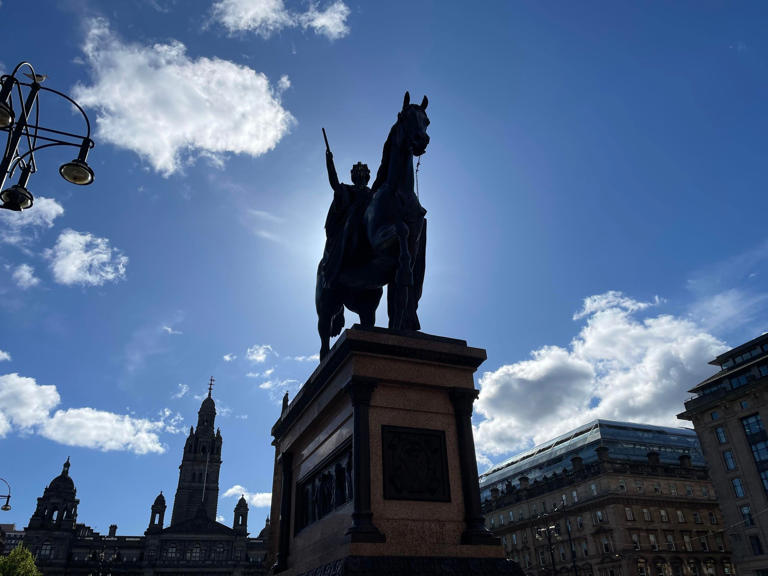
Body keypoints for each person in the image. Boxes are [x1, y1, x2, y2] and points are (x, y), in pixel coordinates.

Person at [318, 149, 372, 290]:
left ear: (367, 177)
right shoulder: (347, 189)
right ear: (354, 177)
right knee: (349, 226)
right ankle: (334, 268)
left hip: (369, 226)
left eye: (363, 174)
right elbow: (334, 183)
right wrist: (330, 162)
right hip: (350, 224)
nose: (360, 176)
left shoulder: (373, 193)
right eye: (357, 174)